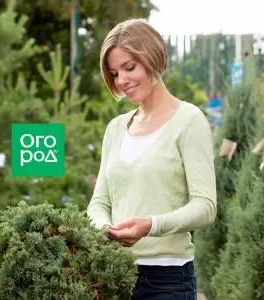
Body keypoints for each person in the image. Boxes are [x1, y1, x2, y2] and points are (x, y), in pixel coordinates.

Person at [87, 18, 217, 300]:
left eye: (129, 67)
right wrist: (105, 228)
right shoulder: (116, 128)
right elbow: (99, 203)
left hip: (167, 280)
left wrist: (151, 225)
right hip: (113, 275)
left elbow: (206, 206)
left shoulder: (189, 121)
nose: (122, 80)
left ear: (152, 58)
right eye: (114, 72)